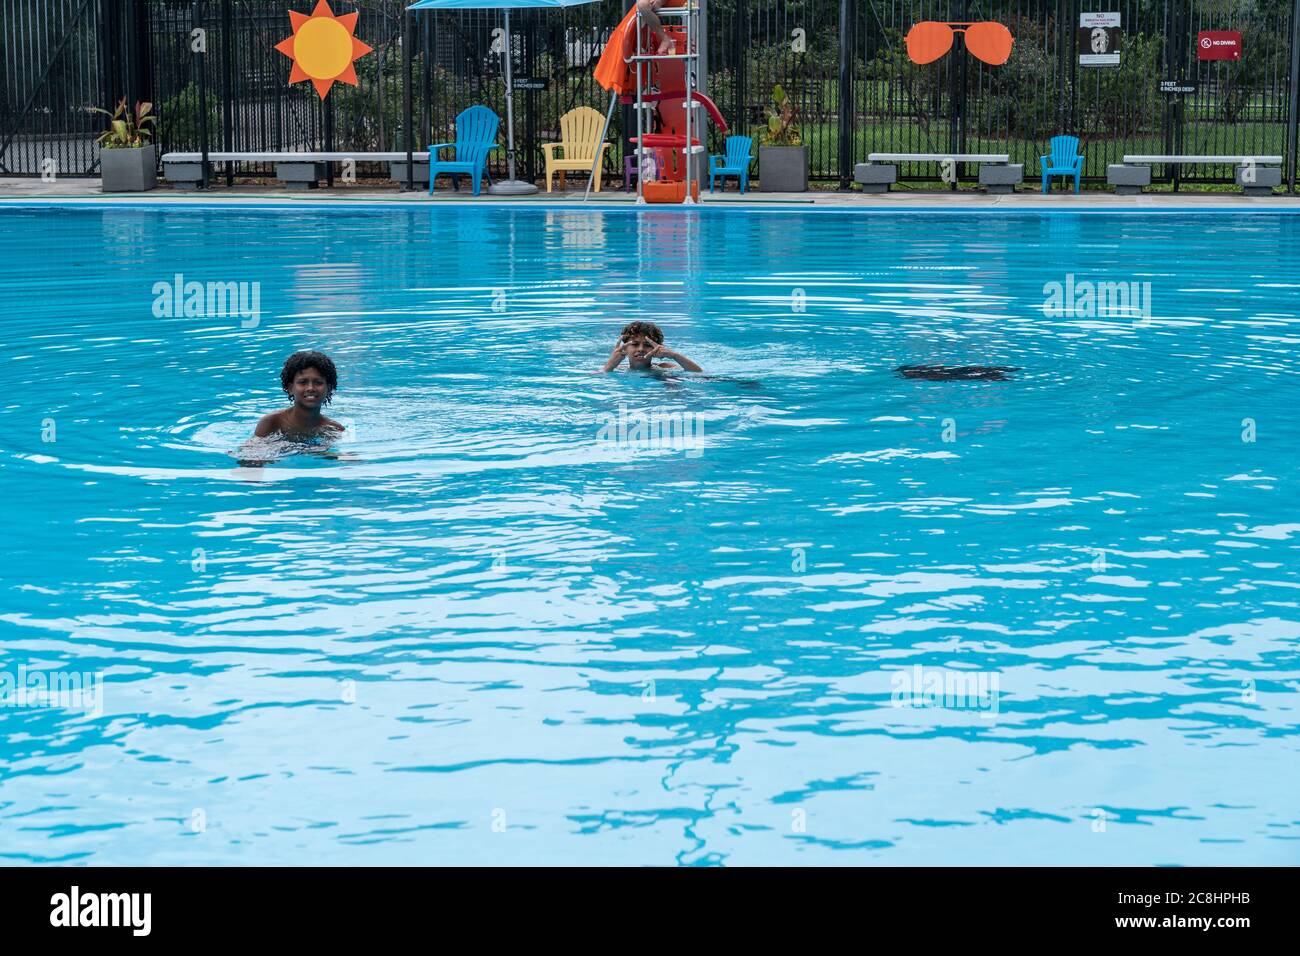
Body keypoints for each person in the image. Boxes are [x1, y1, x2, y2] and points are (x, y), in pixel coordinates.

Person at [252, 350, 344, 439]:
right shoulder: (272, 422)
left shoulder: (334, 430)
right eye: (303, 382)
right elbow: (250, 452)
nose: (310, 388)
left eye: (318, 382)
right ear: (290, 388)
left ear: (328, 388)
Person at [602, 320, 702, 373]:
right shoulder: (618, 369)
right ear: (624, 348)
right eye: (635, 344)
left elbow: (698, 374)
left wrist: (674, 355)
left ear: (656, 348)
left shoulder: (664, 368)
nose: (641, 349)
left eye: (647, 345)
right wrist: (609, 366)